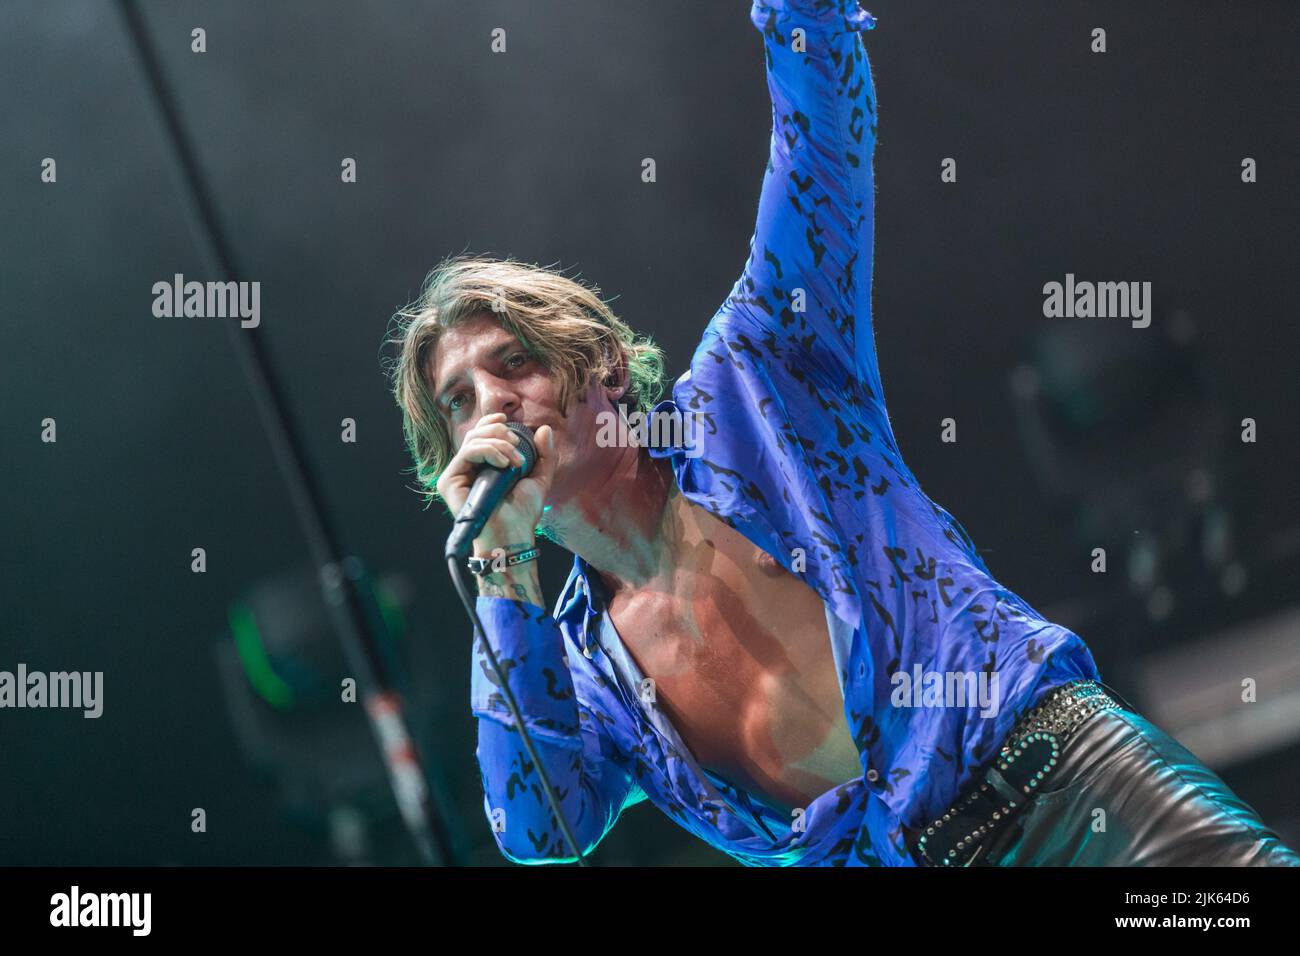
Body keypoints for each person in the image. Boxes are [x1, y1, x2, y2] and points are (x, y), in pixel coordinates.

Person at [387, 0, 1299, 866]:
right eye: (459, 402)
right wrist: (501, 575)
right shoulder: (580, 669)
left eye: (512, 365)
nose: (491, 407)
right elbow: (541, 828)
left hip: (1073, 804)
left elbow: (821, 142)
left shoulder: (754, 380)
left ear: (603, 370)